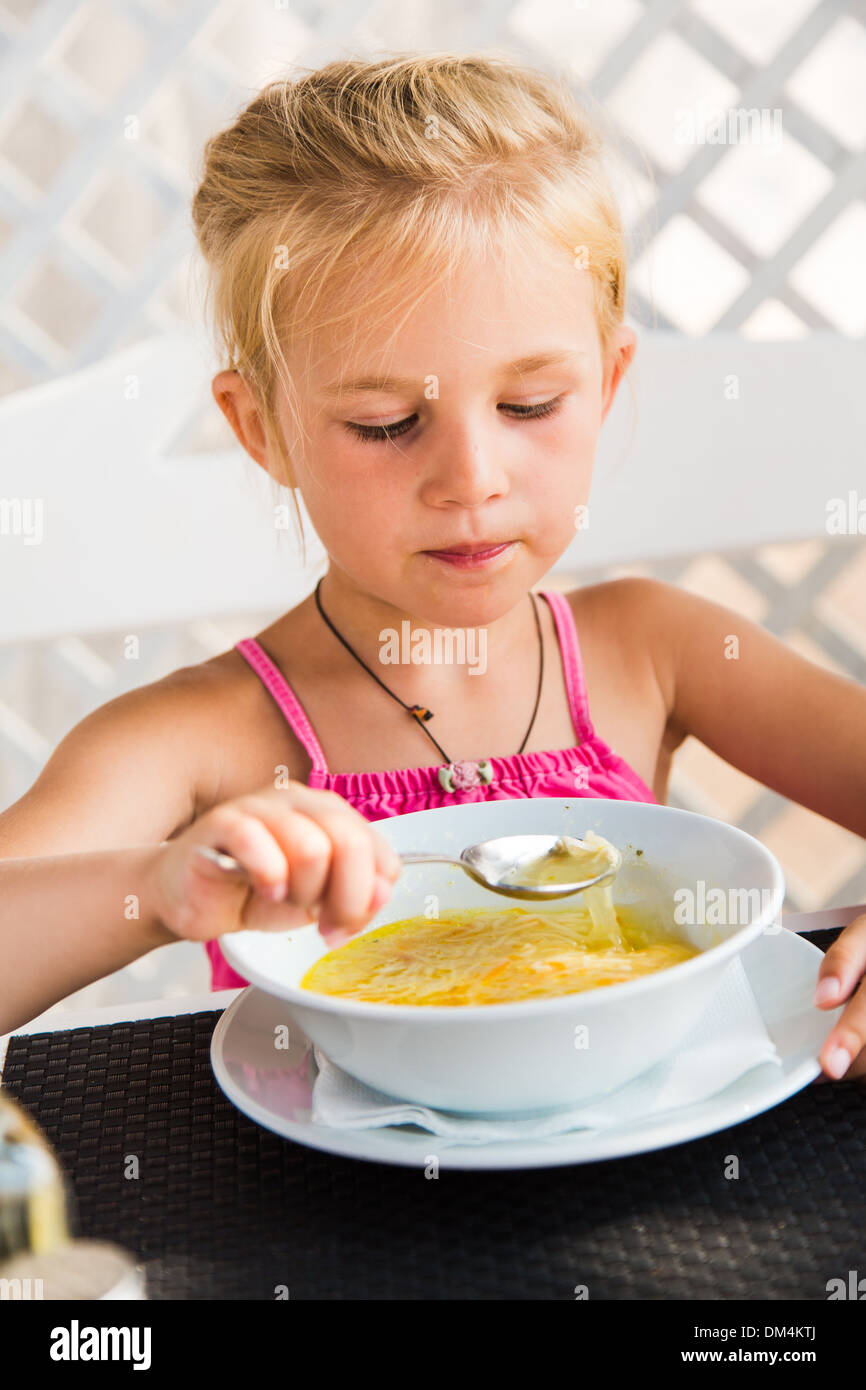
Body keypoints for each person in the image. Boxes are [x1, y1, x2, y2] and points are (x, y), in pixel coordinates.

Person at [0, 55, 863, 1084]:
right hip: (323, 1227)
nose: (471, 479)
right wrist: (157, 887)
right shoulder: (194, 740)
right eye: (385, 423)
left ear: (608, 380)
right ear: (260, 428)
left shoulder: (655, 648)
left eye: (530, 405)